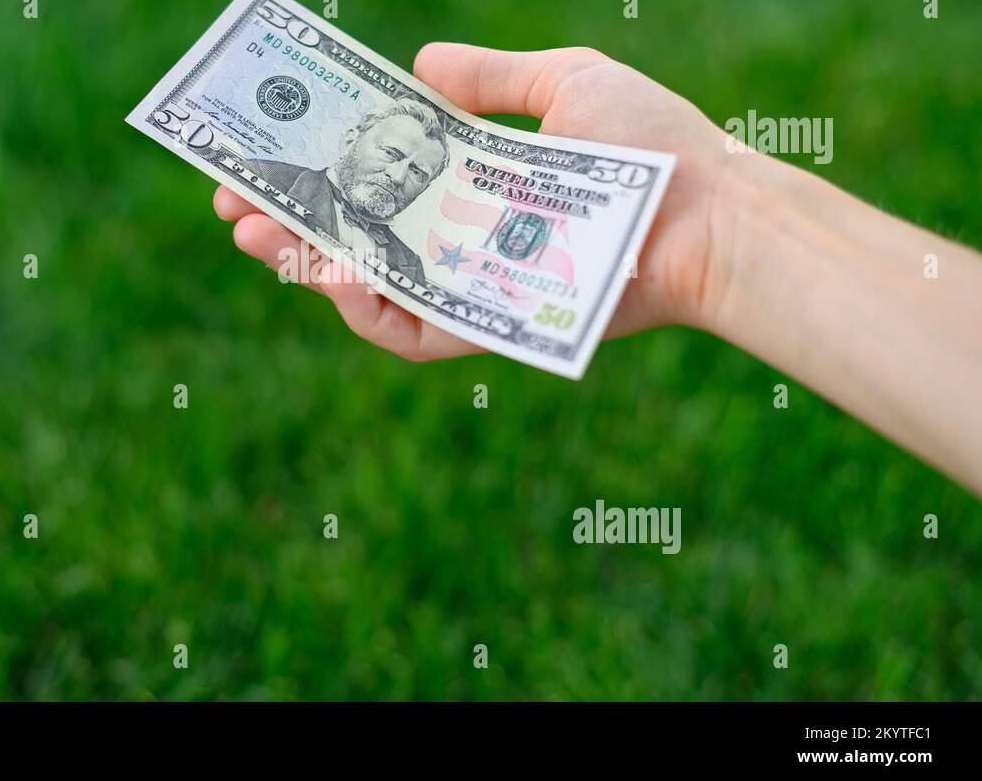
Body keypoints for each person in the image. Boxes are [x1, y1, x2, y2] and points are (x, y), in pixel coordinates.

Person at [213, 43, 982, 496]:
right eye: (393, 153)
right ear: (350, 138)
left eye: (421, 169)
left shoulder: (406, 259)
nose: (406, 177)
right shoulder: (274, 178)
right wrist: (721, 224)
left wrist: (716, 220)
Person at [240, 98, 449, 285]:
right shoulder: (263, 176)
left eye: (418, 172)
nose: (397, 177)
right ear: (350, 143)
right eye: (390, 153)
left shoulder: (411, 265)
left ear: (425, 188)